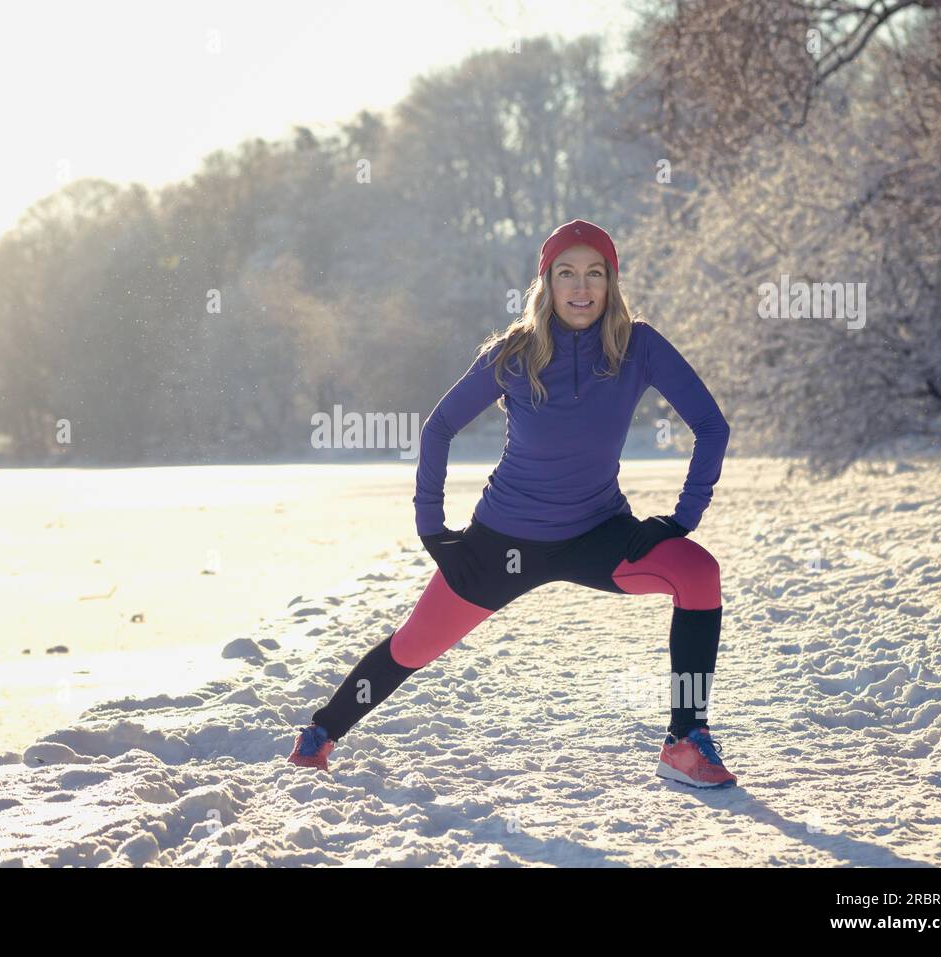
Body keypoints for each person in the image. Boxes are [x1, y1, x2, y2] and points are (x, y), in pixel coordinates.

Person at [288, 219, 736, 788]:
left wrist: (679, 520)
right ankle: (321, 733)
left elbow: (710, 426)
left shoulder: (637, 346)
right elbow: (439, 426)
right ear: (546, 283)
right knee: (413, 646)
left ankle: (685, 740)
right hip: (502, 542)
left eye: (594, 274)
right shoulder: (516, 353)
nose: (581, 288)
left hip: (597, 534)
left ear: (611, 282)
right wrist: (433, 529)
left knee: (699, 572)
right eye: (566, 273)